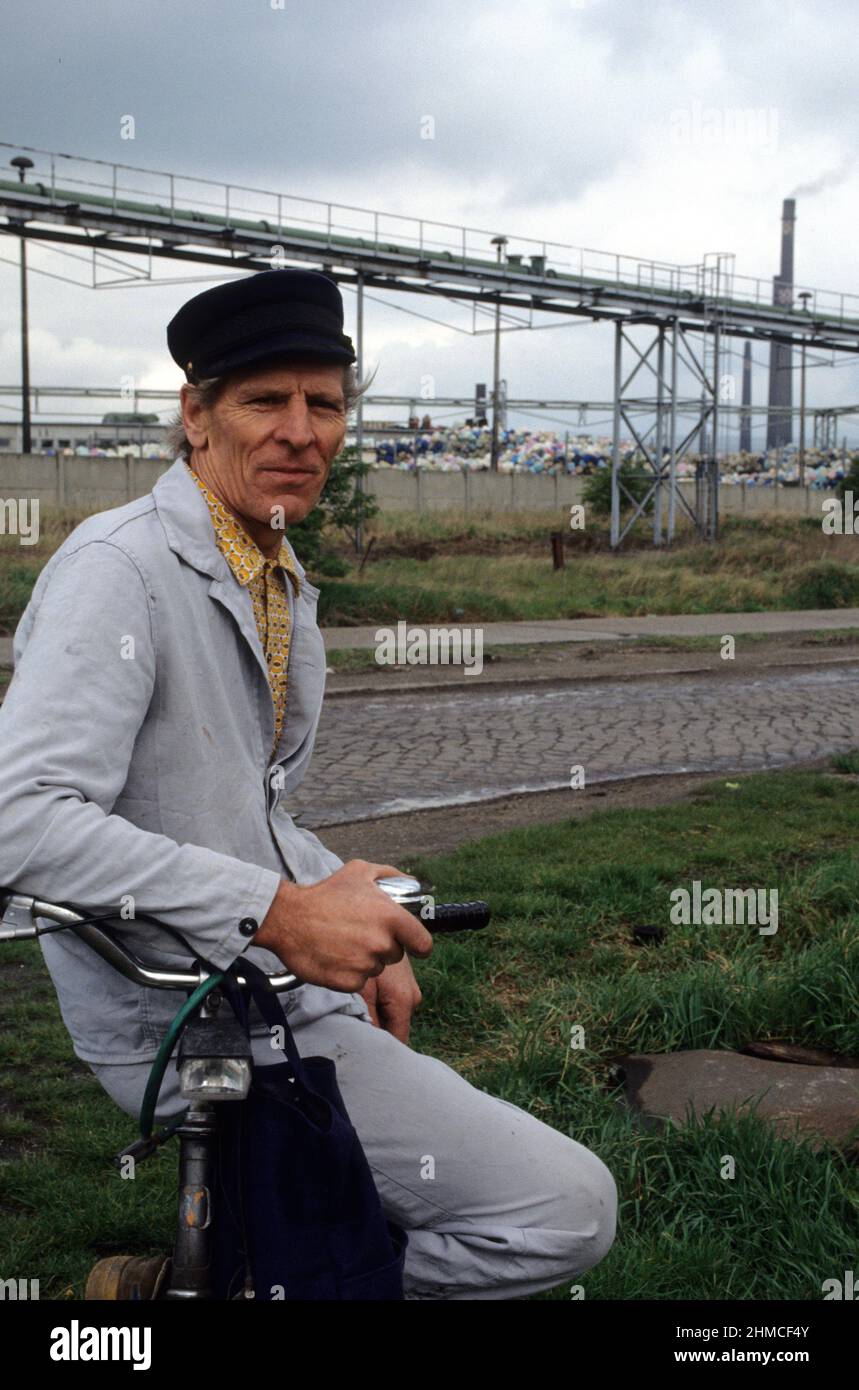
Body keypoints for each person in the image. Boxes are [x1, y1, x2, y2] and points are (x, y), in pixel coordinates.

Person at [0, 268, 616, 1300]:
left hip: (266, 983)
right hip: (181, 1014)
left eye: (324, 403)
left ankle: (226, 1277)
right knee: (558, 1213)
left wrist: (341, 892)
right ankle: (250, 1283)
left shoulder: (270, 569)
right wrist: (282, 912)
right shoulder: (120, 569)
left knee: (498, 1204)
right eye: (263, 400)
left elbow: (241, 799)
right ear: (195, 415)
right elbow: (17, 824)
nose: (299, 430)